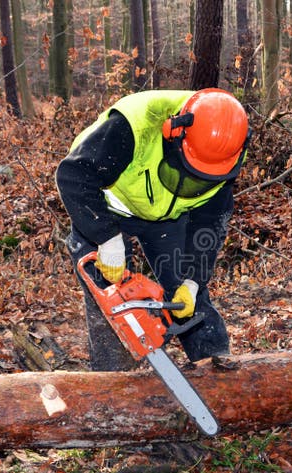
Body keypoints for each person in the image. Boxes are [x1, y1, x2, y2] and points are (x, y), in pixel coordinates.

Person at [56, 88, 251, 371]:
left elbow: (209, 221)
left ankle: (217, 370)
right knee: (110, 299)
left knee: (187, 291)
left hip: (167, 216)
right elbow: (74, 175)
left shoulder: (226, 152)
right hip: (105, 209)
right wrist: (106, 238)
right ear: (174, 134)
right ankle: (114, 381)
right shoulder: (133, 125)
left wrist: (193, 281)